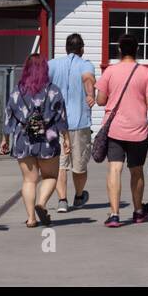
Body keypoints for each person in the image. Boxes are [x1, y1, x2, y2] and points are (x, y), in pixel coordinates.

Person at [94, 34, 148, 228]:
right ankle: (138, 211)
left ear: (119, 50)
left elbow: (100, 101)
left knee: (114, 169)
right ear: (137, 50)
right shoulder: (146, 73)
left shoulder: (110, 71)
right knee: (136, 171)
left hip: (114, 128)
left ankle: (114, 215)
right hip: (138, 130)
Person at [0, 52, 67, 228]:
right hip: (48, 139)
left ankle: (31, 218)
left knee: (29, 180)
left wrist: (5, 139)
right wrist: (66, 138)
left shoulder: (17, 91)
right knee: (50, 176)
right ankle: (42, 203)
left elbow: (8, 116)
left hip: (23, 139)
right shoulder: (53, 91)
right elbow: (61, 117)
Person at [48, 33, 96, 213]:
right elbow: (88, 79)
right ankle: (78, 195)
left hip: (55, 123)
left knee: (61, 165)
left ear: (66, 48)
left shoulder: (52, 64)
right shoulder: (86, 64)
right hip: (79, 122)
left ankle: (62, 201)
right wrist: (90, 94)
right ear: (82, 49)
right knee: (79, 165)